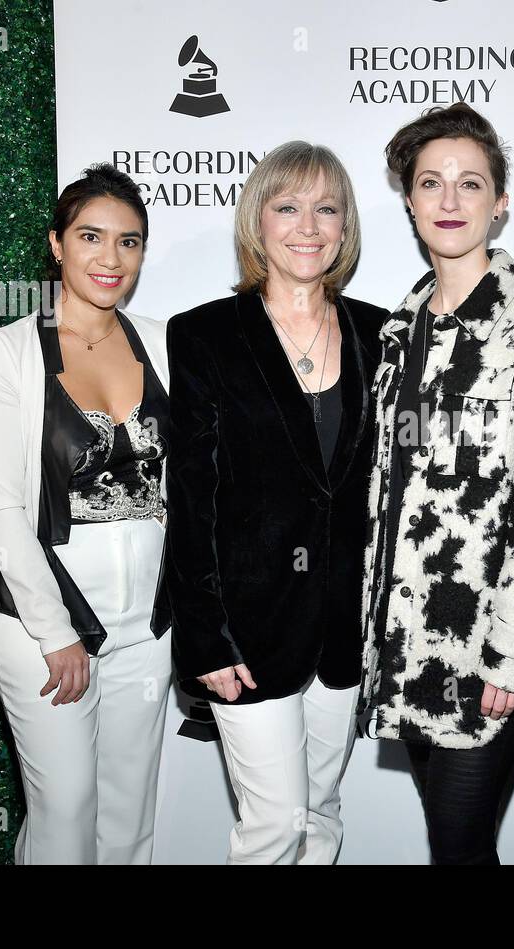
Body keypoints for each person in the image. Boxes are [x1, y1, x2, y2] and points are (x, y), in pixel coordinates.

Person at [359, 103, 514, 864]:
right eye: (432, 184)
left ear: (501, 202)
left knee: (459, 845)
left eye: (470, 183)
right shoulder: (397, 330)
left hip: (492, 637)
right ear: (410, 202)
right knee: (455, 847)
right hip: (410, 639)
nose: (450, 201)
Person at [164, 141, 386, 865]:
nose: (308, 225)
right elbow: (191, 499)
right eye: (288, 206)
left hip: (344, 630)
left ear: (346, 226)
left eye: (327, 208)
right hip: (247, 631)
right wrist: (205, 636)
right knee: (275, 825)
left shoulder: (381, 333)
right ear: (258, 223)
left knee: (319, 816)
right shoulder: (205, 335)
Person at [0, 163, 173, 864]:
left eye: (129, 241)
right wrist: (56, 633)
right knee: (65, 815)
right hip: (42, 625)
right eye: (91, 236)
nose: (110, 258)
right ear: (56, 243)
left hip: (147, 623)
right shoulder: (9, 353)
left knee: (128, 815)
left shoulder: (164, 341)